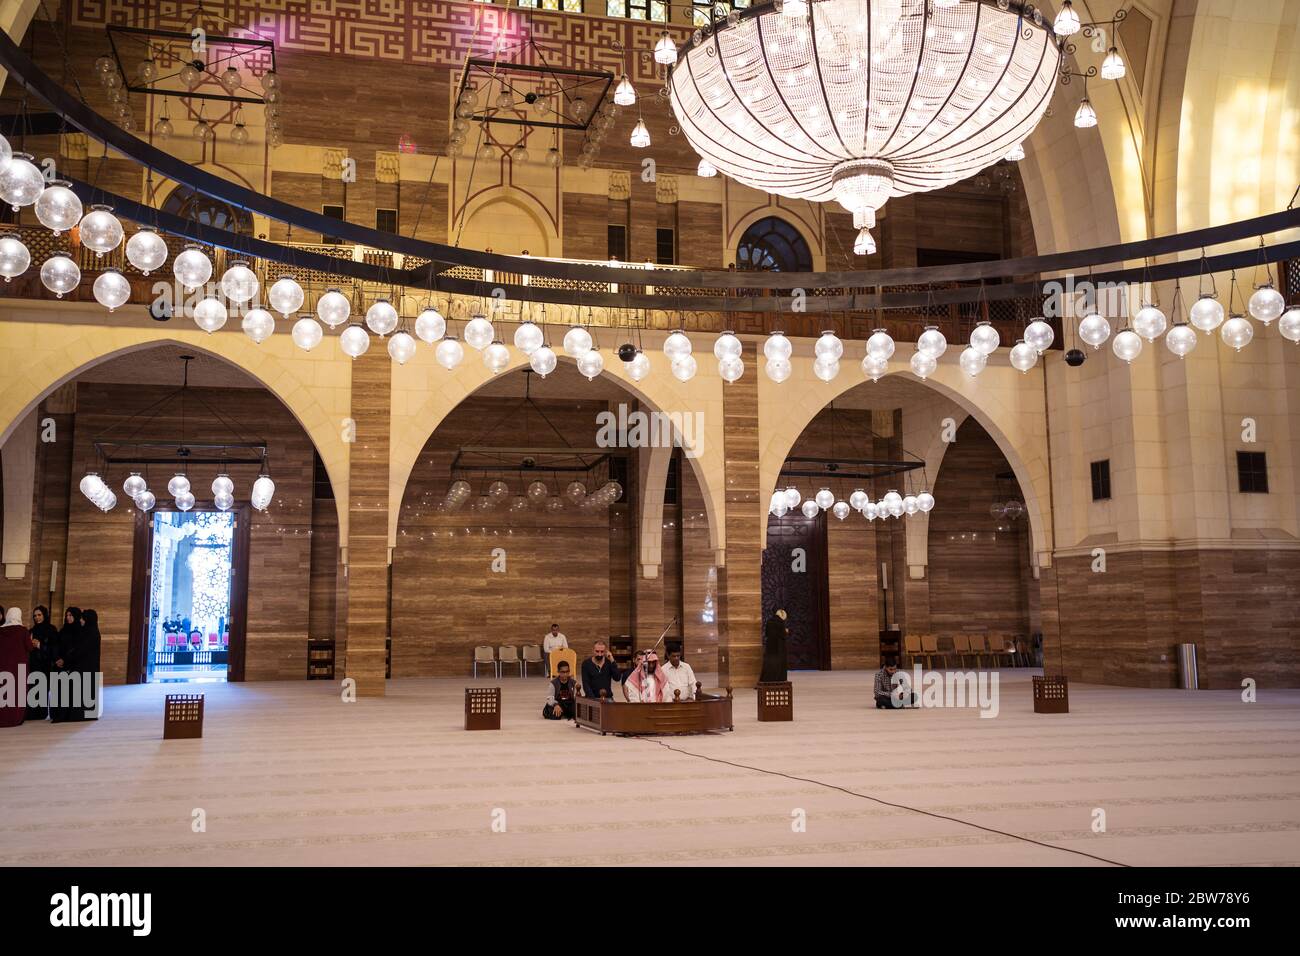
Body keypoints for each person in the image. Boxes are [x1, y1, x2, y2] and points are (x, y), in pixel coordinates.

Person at [50, 607, 84, 724]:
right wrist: (57, 658)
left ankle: (67, 714)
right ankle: (58, 714)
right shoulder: (63, 630)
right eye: (67, 615)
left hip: (71, 665)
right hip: (60, 664)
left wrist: (65, 660)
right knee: (59, 690)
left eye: (71, 615)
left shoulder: (80, 632)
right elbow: (56, 645)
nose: (68, 618)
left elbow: (77, 649)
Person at [0, 607, 31, 727]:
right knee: (18, 692)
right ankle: (15, 718)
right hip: (19, 667)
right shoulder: (23, 631)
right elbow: (29, 647)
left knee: (4, 692)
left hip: (3, 666)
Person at [26, 605, 56, 721]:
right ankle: (33, 714)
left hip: (46, 664)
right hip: (34, 664)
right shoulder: (32, 631)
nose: (37, 618)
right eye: (35, 616)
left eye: (39, 615)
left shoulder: (51, 629)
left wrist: (39, 645)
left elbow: (54, 648)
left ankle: (42, 713)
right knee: (34, 688)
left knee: (43, 688)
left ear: (44, 615)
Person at [80, 609, 102, 720]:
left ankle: (89, 713)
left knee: (89, 688)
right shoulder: (91, 631)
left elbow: (84, 649)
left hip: (89, 664)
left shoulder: (91, 632)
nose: (81, 620)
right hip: (90, 664)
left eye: (83, 618)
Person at [760, 609, 789, 683]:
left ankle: (767, 680)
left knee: (769, 663)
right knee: (779, 664)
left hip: (770, 645)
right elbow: (783, 635)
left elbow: (767, 633)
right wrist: (786, 631)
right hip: (779, 647)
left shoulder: (769, 621)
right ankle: (779, 679)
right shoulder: (781, 623)